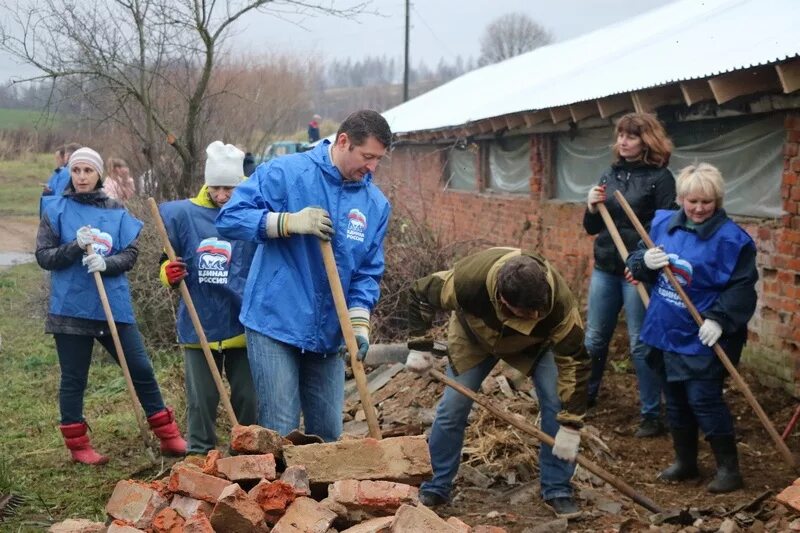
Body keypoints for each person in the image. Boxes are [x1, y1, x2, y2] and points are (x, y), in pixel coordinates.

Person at [216, 109, 392, 442]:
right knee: (281, 428)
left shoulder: (374, 205)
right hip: (275, 319)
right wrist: (285, 222)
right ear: (343, 142)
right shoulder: (287, 172)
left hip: (328, 332)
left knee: (327, 433)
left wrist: (358, 324)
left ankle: (320, 495)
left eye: (378, 159)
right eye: (367, 156)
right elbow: (230, 218)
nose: (372, 167)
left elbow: (367, 271)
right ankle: (276, 492)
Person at [405, 248, 590, 519]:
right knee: (451, 408)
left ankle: (557, 488)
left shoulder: (559, 304)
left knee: (555, 403)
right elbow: (420, 293)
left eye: (540, 309)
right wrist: (419, 346)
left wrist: (572, 424)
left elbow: (574, 362)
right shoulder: (469, 281)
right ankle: (436, 484)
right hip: (475, 337)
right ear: (502, 298)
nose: (536, 314)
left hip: (535, 345)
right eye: (527, 312)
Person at [36, 147, 187, 465]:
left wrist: (106, 263)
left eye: (87, 171)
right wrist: (73, 247)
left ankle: (168, 434)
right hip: (71, 307)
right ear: (70, 174)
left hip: (112, 305)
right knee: (74, 378)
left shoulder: (117, 211)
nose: (81, 177)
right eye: (76, 171)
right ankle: (78, 446)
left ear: (98, 174)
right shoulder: (55, 209)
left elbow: (130, 256)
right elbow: (44, 256)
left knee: (141, 369)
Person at [626, 163, 757, 493]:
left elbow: (742, 287)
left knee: (704, 399)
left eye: (707, 202)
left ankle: (729, 469)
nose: (699, 209)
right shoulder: (662, 224)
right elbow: (635, 261)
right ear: (681, 198)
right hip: (666, 327)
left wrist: (720, 319)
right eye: (692, 201)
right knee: (675, 399)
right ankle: (685, 462)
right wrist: (644, 262)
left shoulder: (733, 241)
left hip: (703, 333)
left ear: (718, 201)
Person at [158, 141, 258, 455]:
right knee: (201, 400)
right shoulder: (183, 215)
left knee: (248, 396)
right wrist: (168, 274)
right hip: (198, 321)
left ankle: (249, 455)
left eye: (229, 188)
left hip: (241, 323)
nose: (222, 195)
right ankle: (198, 457)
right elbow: (165, 260)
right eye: (215, 187)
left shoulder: (251, 214)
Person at [583, 112, 676, 438]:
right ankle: (583, 396)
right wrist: (592, 206)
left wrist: (644, 262)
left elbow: (667, 227)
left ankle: (652, 414)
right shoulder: (610, 174)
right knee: (594, 338)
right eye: (621, 135)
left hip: (637, 271)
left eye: (631, 136)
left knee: (640, 344)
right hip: (606, 267)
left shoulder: (661, 179)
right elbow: (591, 228)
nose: (623, 141)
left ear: (646, 139)